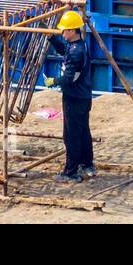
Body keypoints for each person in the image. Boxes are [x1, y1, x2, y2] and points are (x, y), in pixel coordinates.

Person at [45, 10, 94, 182]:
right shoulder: (80, 45)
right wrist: (51, 38)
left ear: (73, 30)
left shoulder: (76, 52)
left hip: (74, 97)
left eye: (65, 30)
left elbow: (69, 78)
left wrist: (54, 81)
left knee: (71, 135)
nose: (62, 32)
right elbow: (64, 50)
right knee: (83, 132)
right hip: (84, 96)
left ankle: (70, 171)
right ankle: (87, 163)